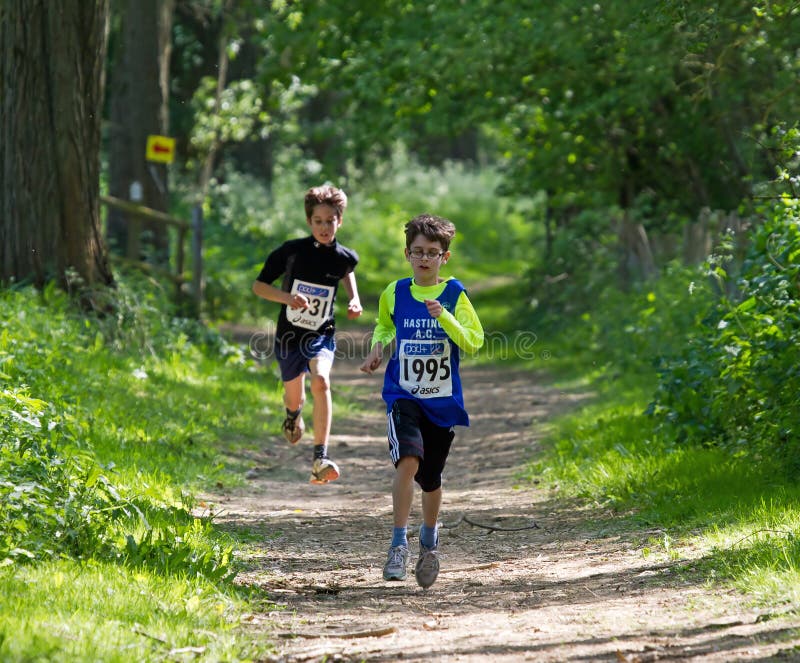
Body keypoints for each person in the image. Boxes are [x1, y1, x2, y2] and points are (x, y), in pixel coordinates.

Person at [359, 213, 484, 588]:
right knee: (408, 460)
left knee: (431, 479)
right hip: (403, 394)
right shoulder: (394, 292)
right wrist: (378, 347)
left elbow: (473, 342)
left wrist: (444, 316)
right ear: (407, 254)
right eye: (417, 252)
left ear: (445, 257)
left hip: (441, 402)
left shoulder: (454, 294)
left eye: (432, 252)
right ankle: (398, 544)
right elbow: (384, 325)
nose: (424, 258)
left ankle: (429, 538)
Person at [253, 184, 362, 484]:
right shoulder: (291, 252)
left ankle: (320, 457)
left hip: (321, 333)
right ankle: (292, 414)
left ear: (340, 220)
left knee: (322, 381)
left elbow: (344, 270)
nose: (325, 227)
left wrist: (354, 298)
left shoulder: (344, 256)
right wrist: (287, 298)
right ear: (309, 222)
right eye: (318, 221)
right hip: (289, 336)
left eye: (331, 221)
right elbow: (259, 286)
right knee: (293, 394)